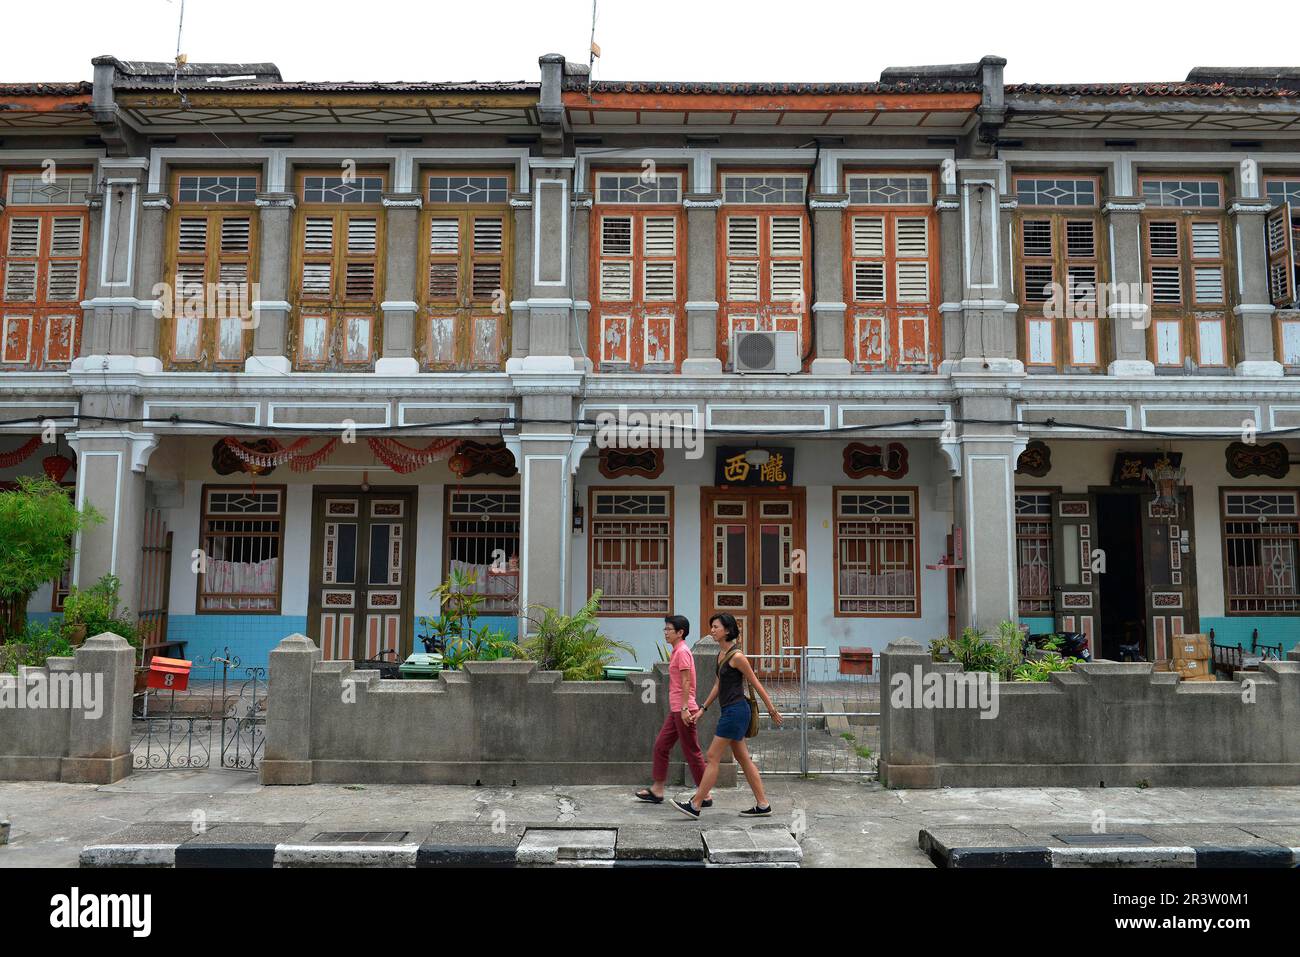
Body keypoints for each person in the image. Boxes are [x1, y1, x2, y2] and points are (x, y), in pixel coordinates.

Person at [673, 612, 783, 819]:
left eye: (716, 627)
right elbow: (718, 684)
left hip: (736, 711)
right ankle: (763, 805)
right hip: (730, 711)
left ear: (728, 630)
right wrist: (703, 709)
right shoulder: (721, 655)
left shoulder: (738, 657)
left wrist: (772, 709)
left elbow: (755, 682)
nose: (712, 630)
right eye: (712, 626)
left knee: (713, 756)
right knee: (743, 759)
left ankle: (695, 804)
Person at [634, 615, 712, 808]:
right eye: (665, 629)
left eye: (669, 629)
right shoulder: (677, 651)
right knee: (661, 746)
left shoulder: (682, 652)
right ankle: (657, 789)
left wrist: (685, 708)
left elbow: (687, 682)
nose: (666, 633)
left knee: (692, 751)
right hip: (677, 709)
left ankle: (706, 795)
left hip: (683, 709)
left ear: (680, 632)